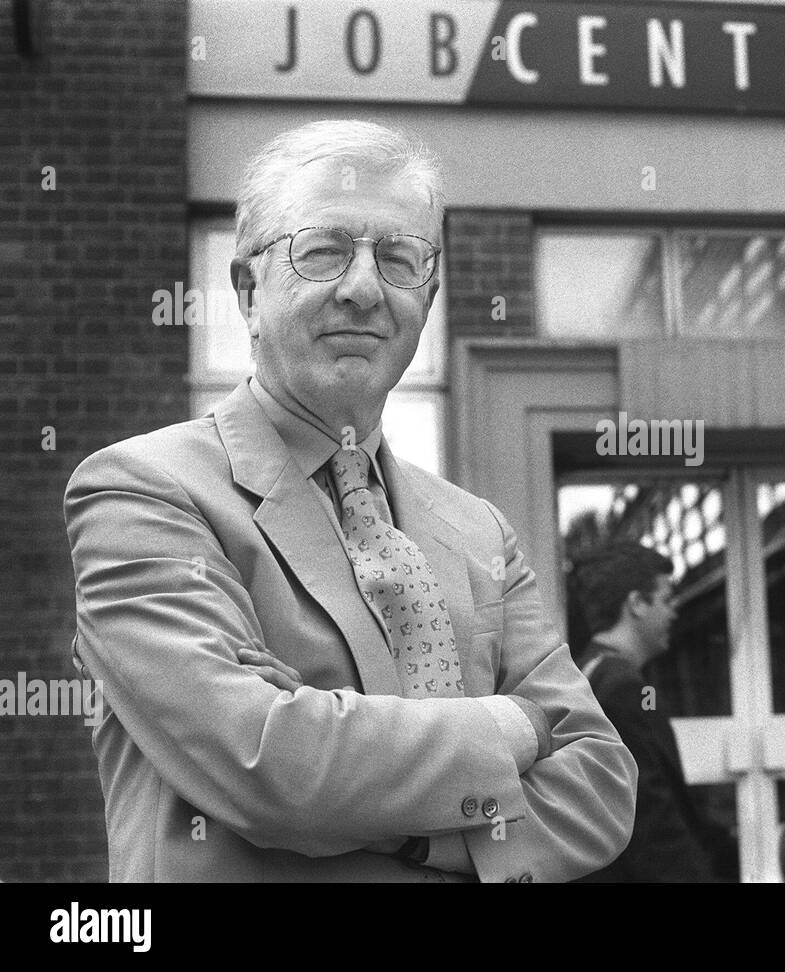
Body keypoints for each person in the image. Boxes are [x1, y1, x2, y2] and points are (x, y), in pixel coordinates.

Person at [63, 120, 636, 882]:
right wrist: (511, 731)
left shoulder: (481, 533)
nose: (363, 288)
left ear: (427, 300)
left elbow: (601, 781)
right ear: (248, 290)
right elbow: (268, 761)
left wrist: (412, 835)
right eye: (324, 250)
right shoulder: (145, 492)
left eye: (399, 259)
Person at [570, 542, 735, 882]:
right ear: (637, 604)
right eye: (666, 599)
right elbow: (653, 823)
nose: (674, 611)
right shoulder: (626, 688)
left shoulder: (584, 673)